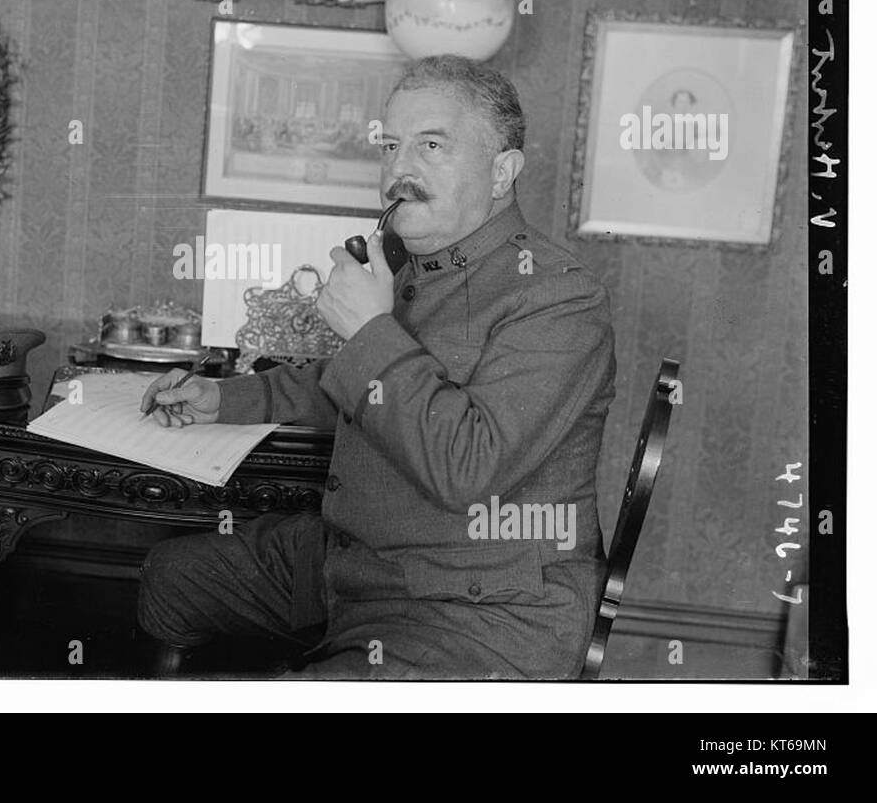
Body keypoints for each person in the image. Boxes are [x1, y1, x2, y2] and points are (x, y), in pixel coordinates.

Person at [137, 55, 617, 679]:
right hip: (363, 561)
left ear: (503, 171)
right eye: (390, 145)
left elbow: (468, 466)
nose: (398, 172)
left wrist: (369, 328)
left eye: (432, 145)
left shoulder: (557, 298)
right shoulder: (423, 268)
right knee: (170, 578)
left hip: (478, 606)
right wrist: (222, 399)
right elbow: (358, 386)